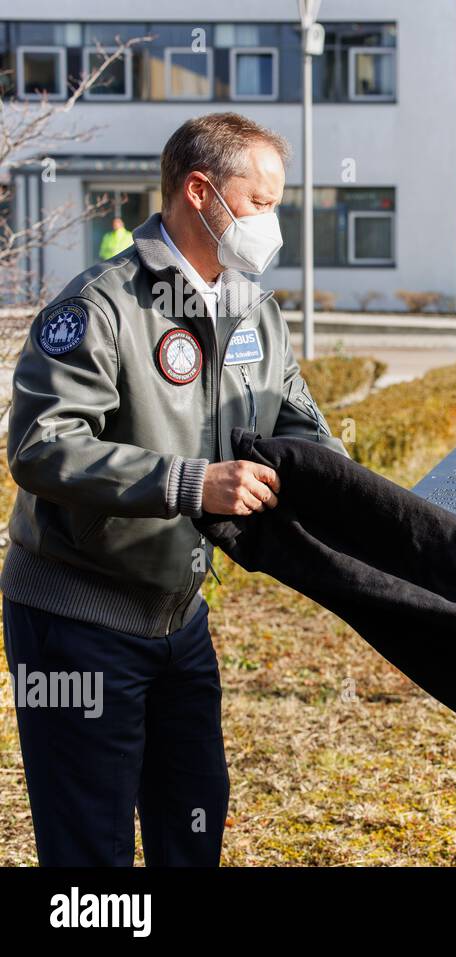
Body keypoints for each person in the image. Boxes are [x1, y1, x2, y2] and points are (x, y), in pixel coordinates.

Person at [3, 112, 347, 866]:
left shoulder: (252, 306)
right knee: (90, 850)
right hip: (77, 621)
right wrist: (190, 483)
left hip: (178, 620)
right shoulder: (100, 306)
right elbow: (39, 447)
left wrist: (377, 507)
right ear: (200, 192)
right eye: (260, 203)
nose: (272, 223)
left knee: (191, 820)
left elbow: (299, 421)